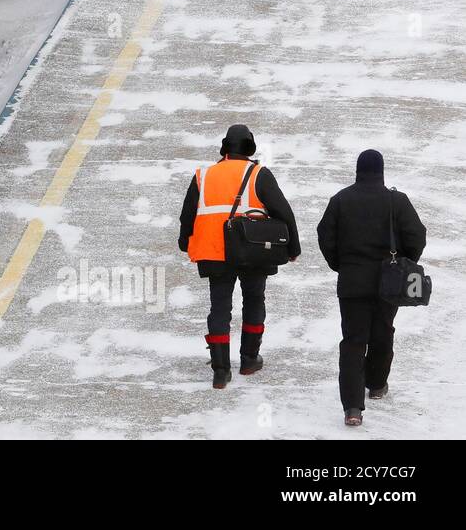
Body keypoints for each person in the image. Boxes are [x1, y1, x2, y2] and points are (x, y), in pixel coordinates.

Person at [178, 124, 301, 388]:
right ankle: (249, 360)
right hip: (252, 252)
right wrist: (293, 249)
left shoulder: (203, 175)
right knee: (254, 300)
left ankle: (221, 371)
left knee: (220, 307)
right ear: (249, 148)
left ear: (225, 148)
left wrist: (183, 241)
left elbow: (187, 215)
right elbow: (284, 212)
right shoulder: (258, 174)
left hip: (214, 252)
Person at [316, 149, 425, 427]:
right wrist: (404, 262)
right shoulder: (396, 200)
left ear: (357, 170)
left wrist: (340, 264)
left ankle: (353, 407)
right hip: (388, 281)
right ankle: (376, 385)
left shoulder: (340, 200)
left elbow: (324, 235)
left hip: (352, 281)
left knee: (353, 341)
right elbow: (417, 235)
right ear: (381, 171)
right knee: (383, 331)